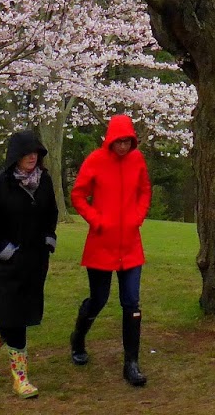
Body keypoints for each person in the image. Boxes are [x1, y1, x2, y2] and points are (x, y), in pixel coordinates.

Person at [69, 113, 151, 387]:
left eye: (128, 141)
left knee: (131, 302)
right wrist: (97, 220)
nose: (124, 147)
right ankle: (78, 338)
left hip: (130, 244)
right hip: (101, 243)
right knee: (99, 298)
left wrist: (137, 217)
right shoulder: (95, 160)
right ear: (111, 140)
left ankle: (131, 363)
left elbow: (144, 191)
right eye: (119, 141)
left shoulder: (137, 161)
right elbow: (78, 195)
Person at [0, 129, 59, 399]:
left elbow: (51, 214)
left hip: (35, 264)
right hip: (7, 267)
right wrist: (6, 251)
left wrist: (49, 240)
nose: (32, 157)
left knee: (15, 316)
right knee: (16, 320)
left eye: (36, 152)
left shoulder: (44, 182)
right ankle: (20, 378)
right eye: (27, 153)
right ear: (15, 157)